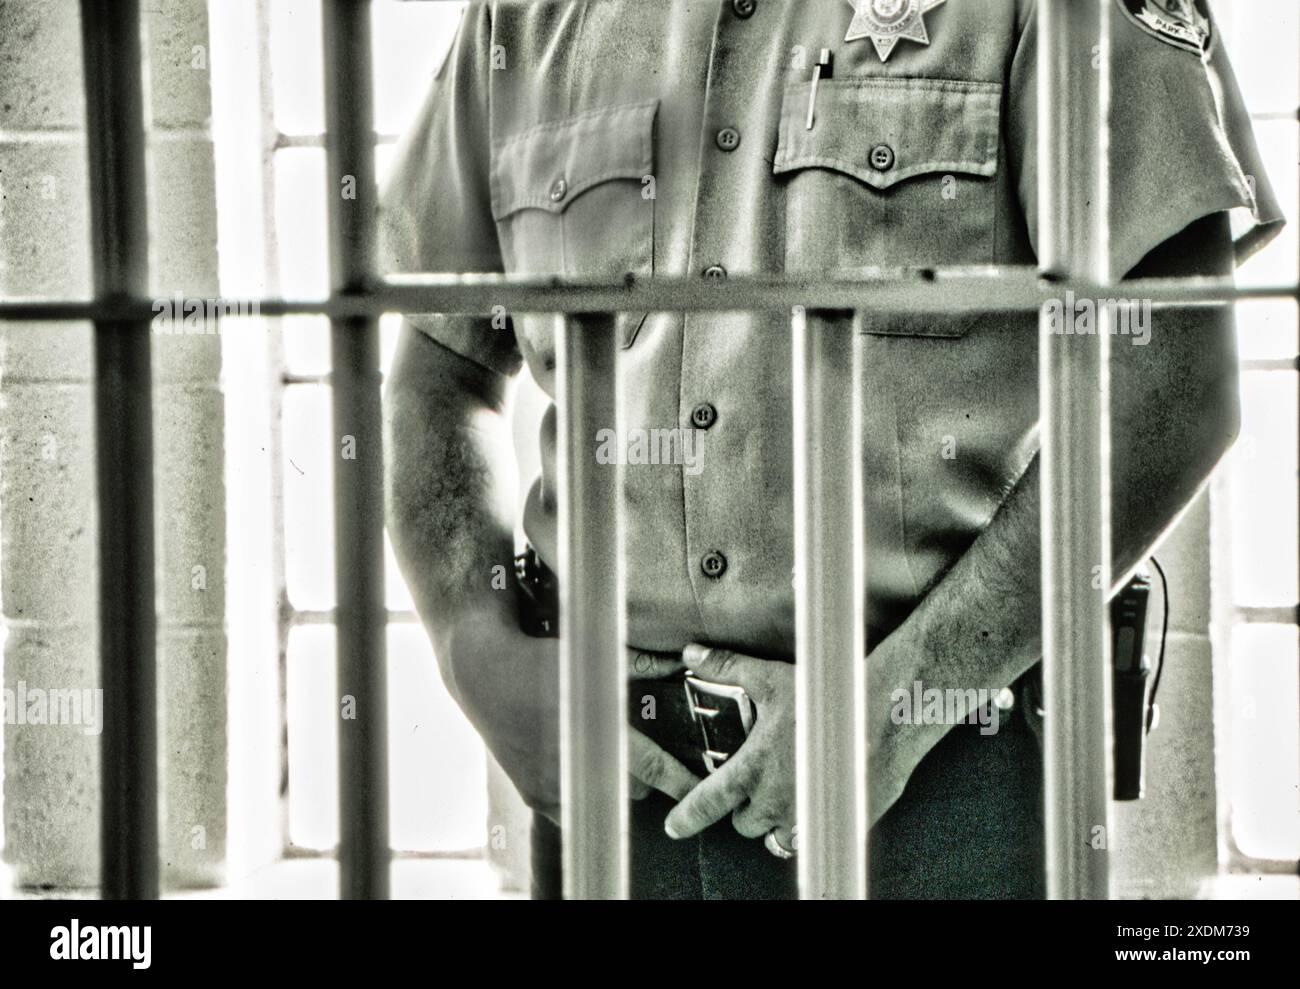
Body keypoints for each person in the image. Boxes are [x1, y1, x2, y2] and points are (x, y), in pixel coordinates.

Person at [380, 0, 1282, 899]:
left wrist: (892, 705)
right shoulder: (524, 16)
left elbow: (1174, 381)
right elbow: (437, 368)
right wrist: (476, 649)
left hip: (935, 794)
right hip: (609, 808)